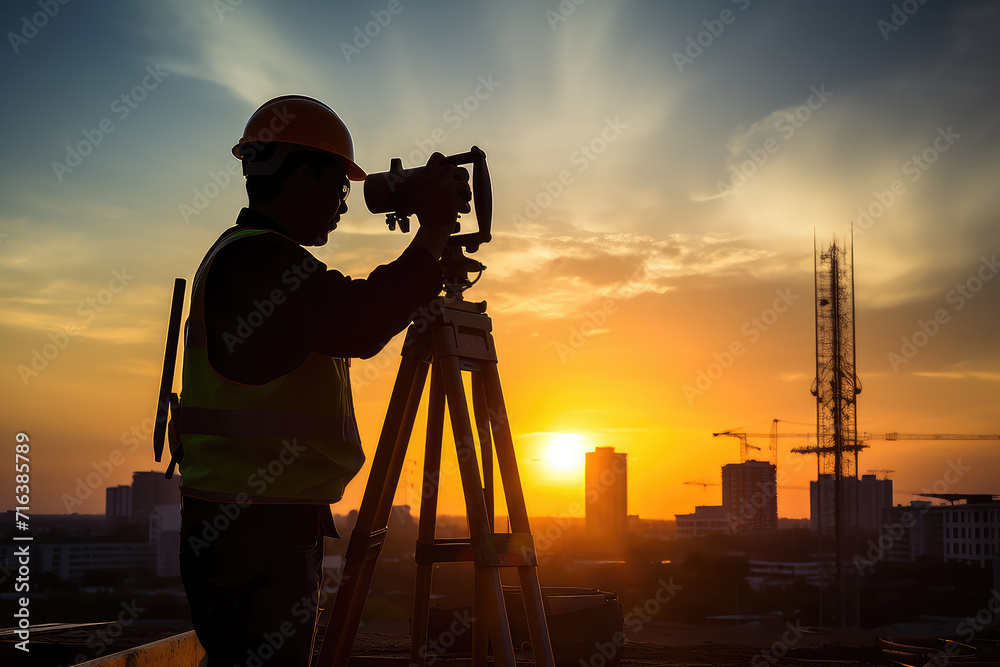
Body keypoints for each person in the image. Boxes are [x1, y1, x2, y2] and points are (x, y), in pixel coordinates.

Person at [175, 95, 470, 666]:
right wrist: (433, 234)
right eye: (337, 186)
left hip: (253, 519)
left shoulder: (254, 258)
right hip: (254, 526)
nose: (343, 204)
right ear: (301, 176)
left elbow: (348, 315)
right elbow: (360, 321)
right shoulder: (260, 264)